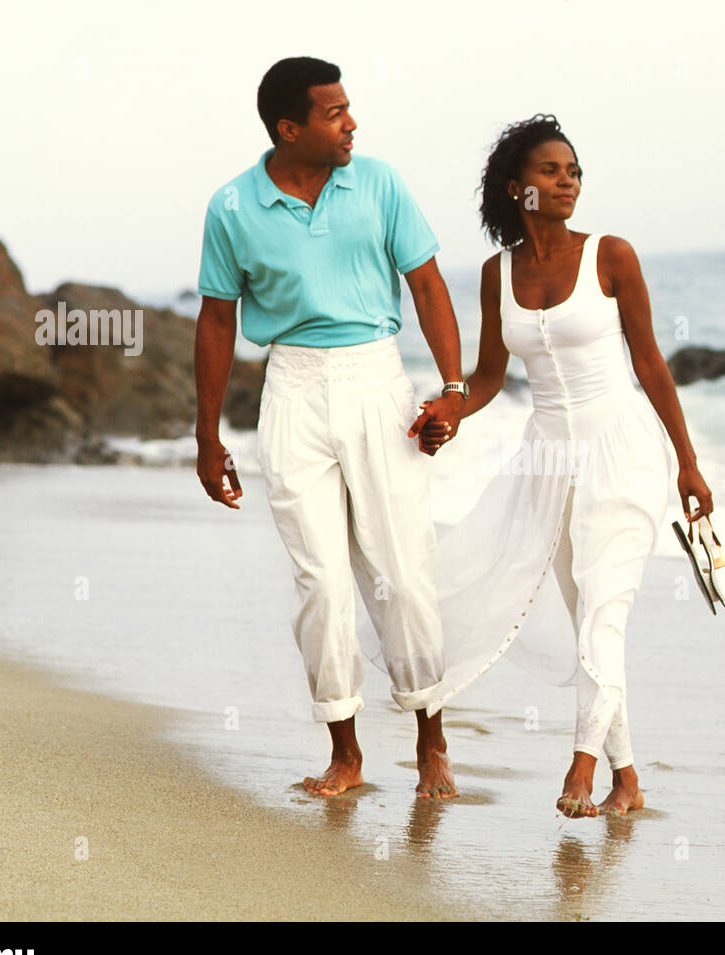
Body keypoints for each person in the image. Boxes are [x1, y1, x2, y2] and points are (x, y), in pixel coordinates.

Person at [415, 115, 713, 817]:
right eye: (551, 171)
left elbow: (651, 365)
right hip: (546, 461)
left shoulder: (611, 255)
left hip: (623, 451)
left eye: (574, 170)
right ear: (517, 188)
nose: (567, 181)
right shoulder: (498, 273)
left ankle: (581, 767)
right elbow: (489, 375)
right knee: (588, 626)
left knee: (605, 612)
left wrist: (687, 466)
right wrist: (451, 410)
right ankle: (628, 780)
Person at [193, 57, 466, 799]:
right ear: (289, 129)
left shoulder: (378, 182)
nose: (351, 123)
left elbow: (428, 284)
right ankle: (345, 751)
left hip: (377, 379)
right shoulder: (233, 207)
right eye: (333, 112)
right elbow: (218, 319)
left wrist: (452, 390)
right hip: (292, 388)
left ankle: (431, 741)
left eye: (349, 108)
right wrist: (207, 436)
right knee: (320, 580)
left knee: (404, 573)